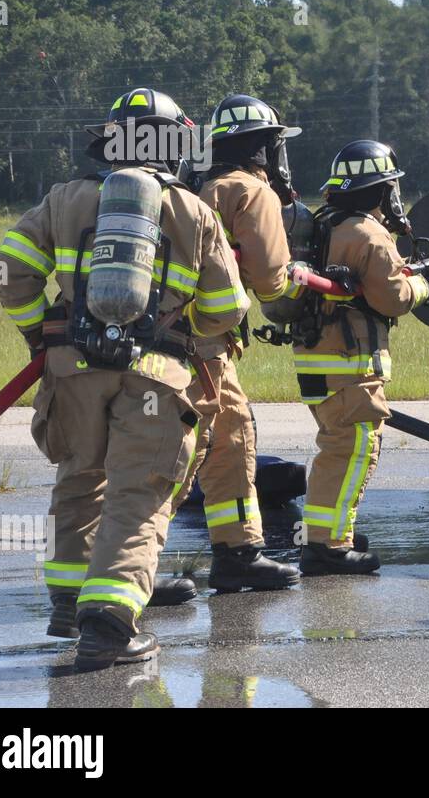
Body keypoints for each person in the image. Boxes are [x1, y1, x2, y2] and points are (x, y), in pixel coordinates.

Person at [0, 87, 249, 671]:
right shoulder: (191, 208)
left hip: (73, 373)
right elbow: (227, 307)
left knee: (79, 479)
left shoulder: (64, 198)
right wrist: (186, 325)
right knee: (139, 494)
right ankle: (109, 626)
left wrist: (41, 333)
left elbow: (8, 272)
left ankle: (69, 603)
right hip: (155, 378)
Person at [263, 140, 429, 575]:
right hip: (351, 367)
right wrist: (427, 286)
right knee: (352, 451)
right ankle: (326, 548)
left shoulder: (326, 224)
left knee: (339, 447)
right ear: (380, 190)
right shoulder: (367, 233)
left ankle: (330, 534)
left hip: (320, 365)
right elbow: (393, 297)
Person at [166, 94, 302, 593]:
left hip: (175, 336)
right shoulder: (252, 192)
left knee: (224, 440)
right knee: (203, 442)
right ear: (264, 148)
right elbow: (270, 282)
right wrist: (300, 279)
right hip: (204, 343)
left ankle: (237, 552)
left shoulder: (197, 191)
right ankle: (133, 562)